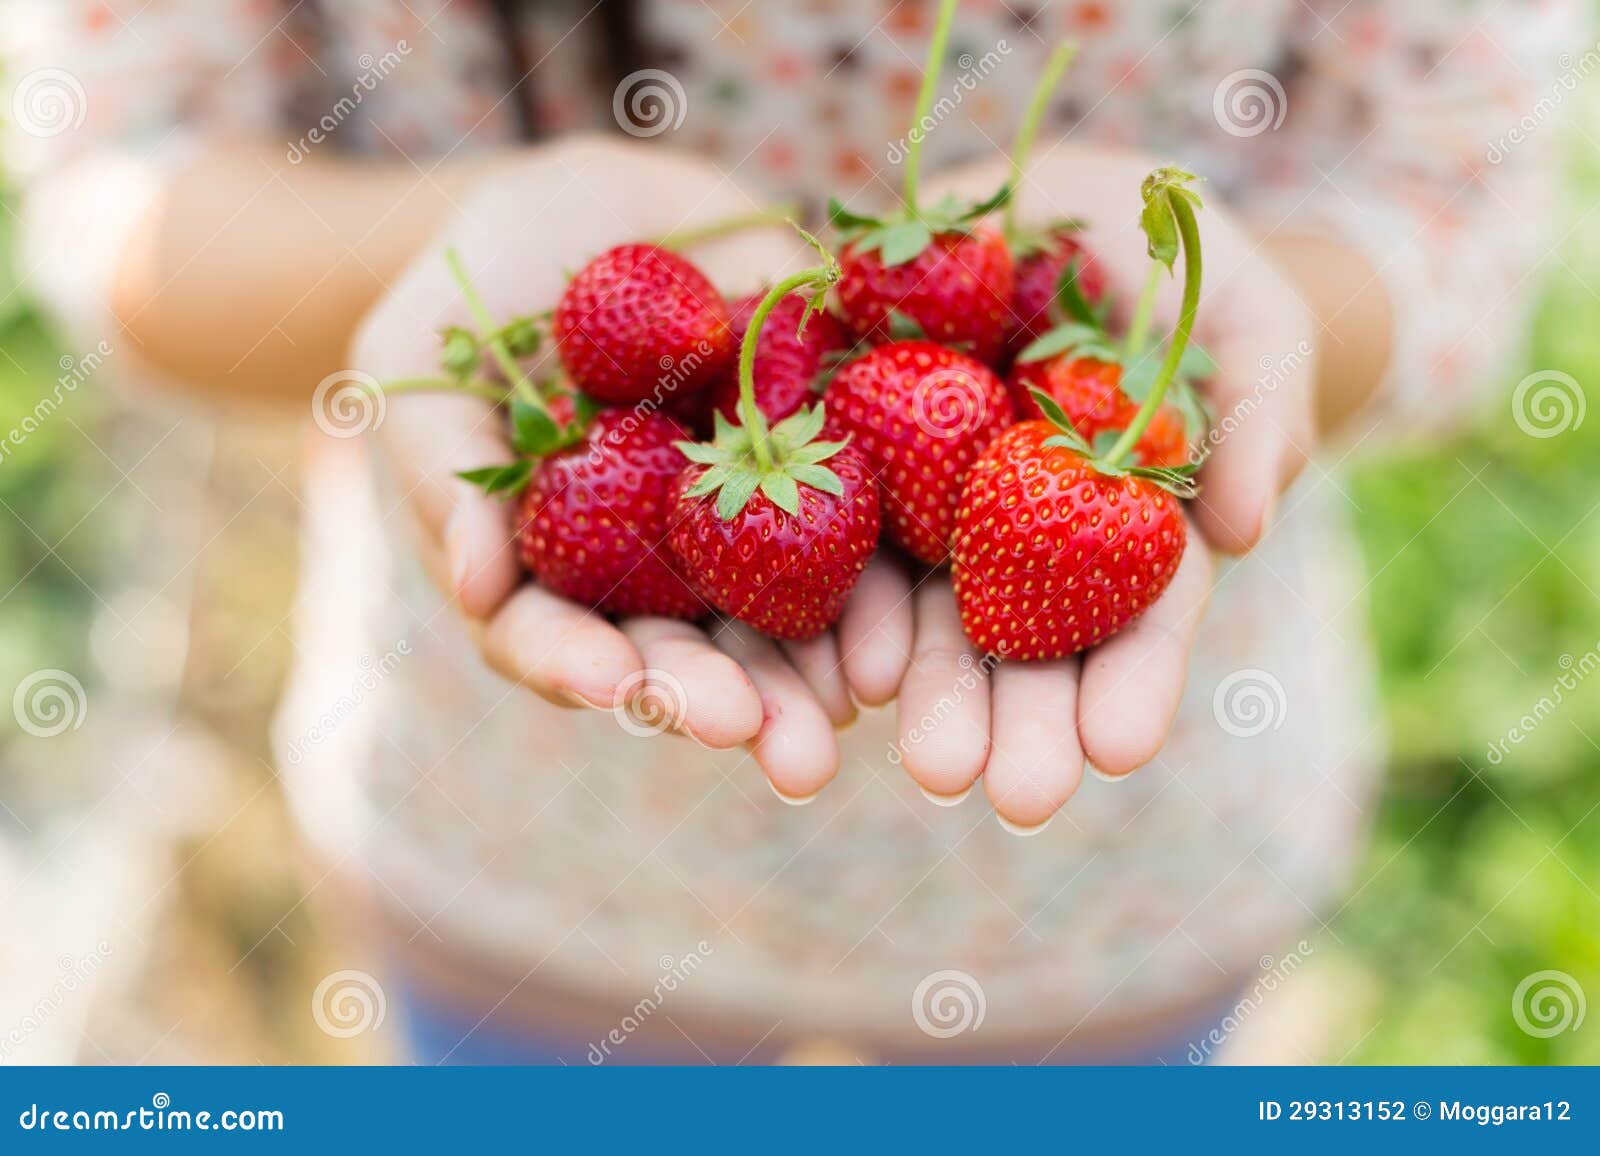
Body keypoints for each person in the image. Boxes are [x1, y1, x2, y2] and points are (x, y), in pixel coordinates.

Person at [7, 0, 1581, 1063]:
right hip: (524, 856)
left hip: (1115, 894)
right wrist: (438, 251)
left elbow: (1450, 206)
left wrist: (1245, 316)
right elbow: (118, 180)